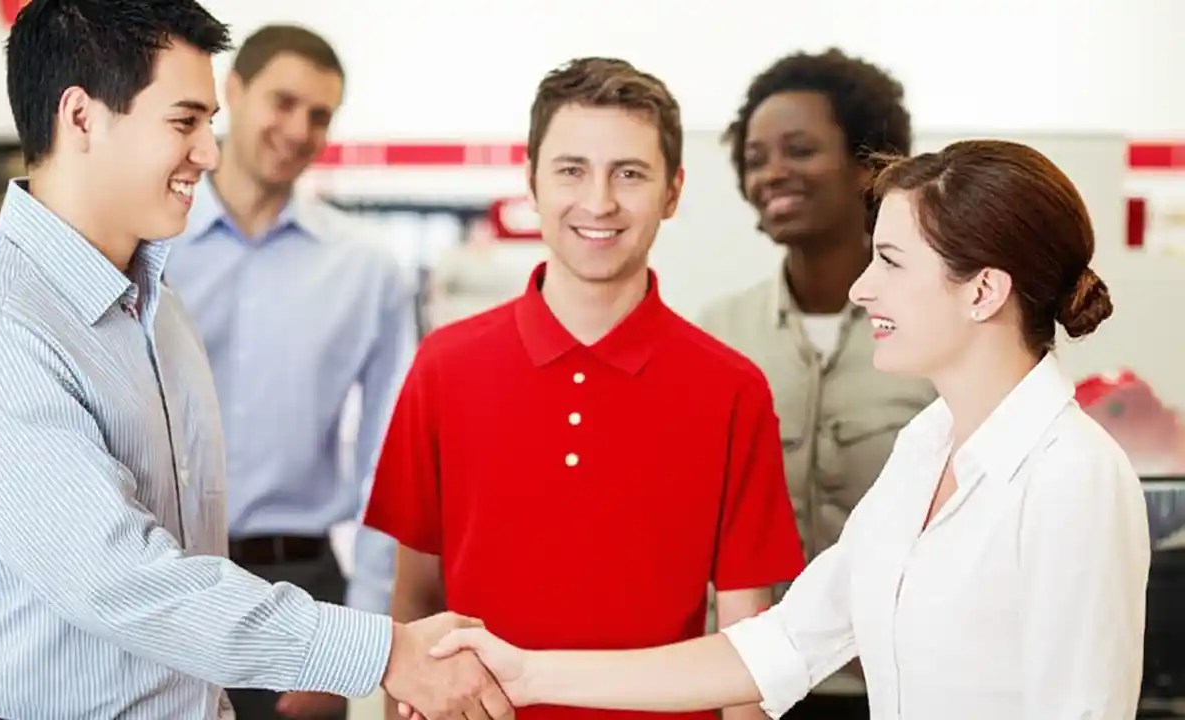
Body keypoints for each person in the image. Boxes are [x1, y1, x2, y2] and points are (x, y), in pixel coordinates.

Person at [0, 3, 507, 719]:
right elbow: (120, 579)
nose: (210, 152)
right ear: (82, 118)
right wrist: (381, 651)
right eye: (184, 121)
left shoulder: (154, 304)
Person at [415, 140, 1153, 720]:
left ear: (984, 290)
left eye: (890, 262)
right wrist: (529, 669)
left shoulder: (1073, 477)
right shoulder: (926, 447)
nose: (863, 288)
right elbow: (781, 646)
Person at [363, 57, 806, 720]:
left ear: (674, 191)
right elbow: (416, 609)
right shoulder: (444, 367)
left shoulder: (732, 389)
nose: (599, 201)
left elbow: (747, 653)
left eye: (629, 173)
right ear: (532, 182)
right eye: (572, 170)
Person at [162, 24, 415, 720]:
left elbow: (389, 458)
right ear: (233, 92)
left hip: (301, 586)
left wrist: (356, 637)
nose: (299, 129)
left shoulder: (366, 268)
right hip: (164, 582)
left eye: (320, 115)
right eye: (284, 102)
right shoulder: (152, 242)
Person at [697, 51, 935, 716]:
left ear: (871, 165)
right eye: (754, 157)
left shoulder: (941, 329)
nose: (772, 171)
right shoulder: (717, 333)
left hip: (903, 685)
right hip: (750, 684)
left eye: (799, 149)